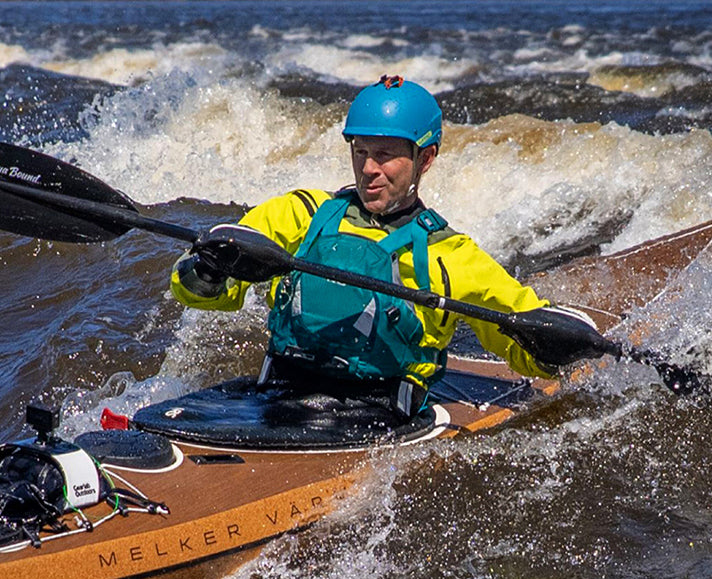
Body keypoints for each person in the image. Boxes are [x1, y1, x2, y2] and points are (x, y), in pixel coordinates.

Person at [169, 74, 600, 418]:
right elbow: (206, 295)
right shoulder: (301, 215)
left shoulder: (450, 255)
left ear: (424, 159)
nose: (369, 169)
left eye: (386, 154)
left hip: (378, 419)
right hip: (279, 402)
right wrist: (206, 270)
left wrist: (551, 352)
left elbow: (516, 341)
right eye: (361, 152)